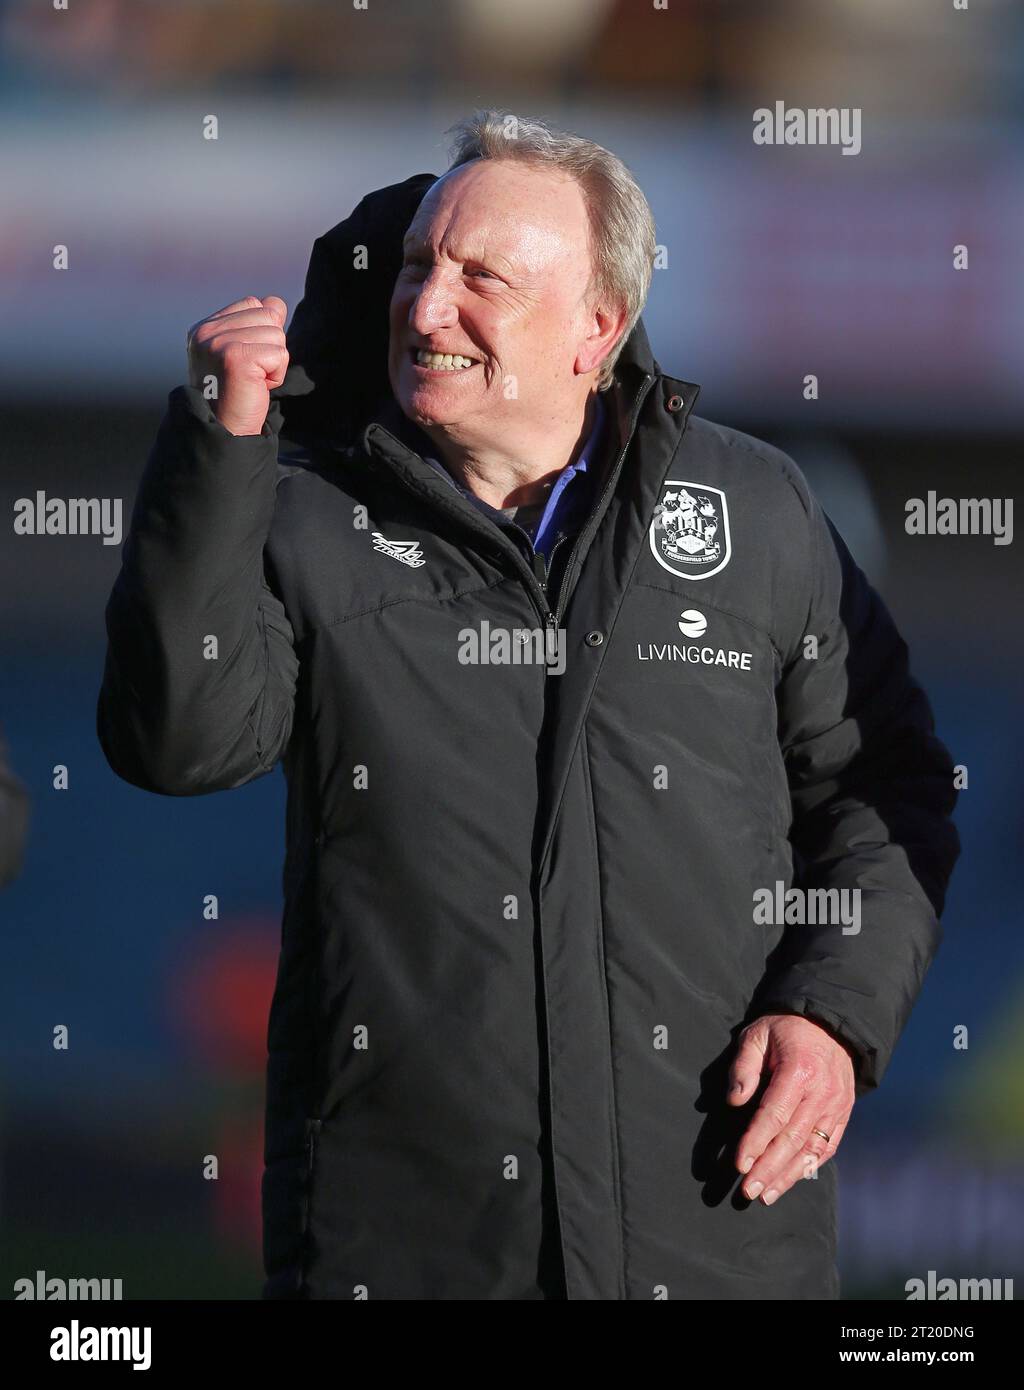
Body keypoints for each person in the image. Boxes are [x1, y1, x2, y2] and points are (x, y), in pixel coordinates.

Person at [96, 109, 960, 1300]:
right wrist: (216, 451)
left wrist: (833, 1016)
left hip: (711, 1231)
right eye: (415, 266)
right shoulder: (303, 514)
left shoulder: (754, 509)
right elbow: (177, 745)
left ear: (596, 328)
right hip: (401, 1246)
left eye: (478, 277)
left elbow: (882, 788)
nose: (425, 306)